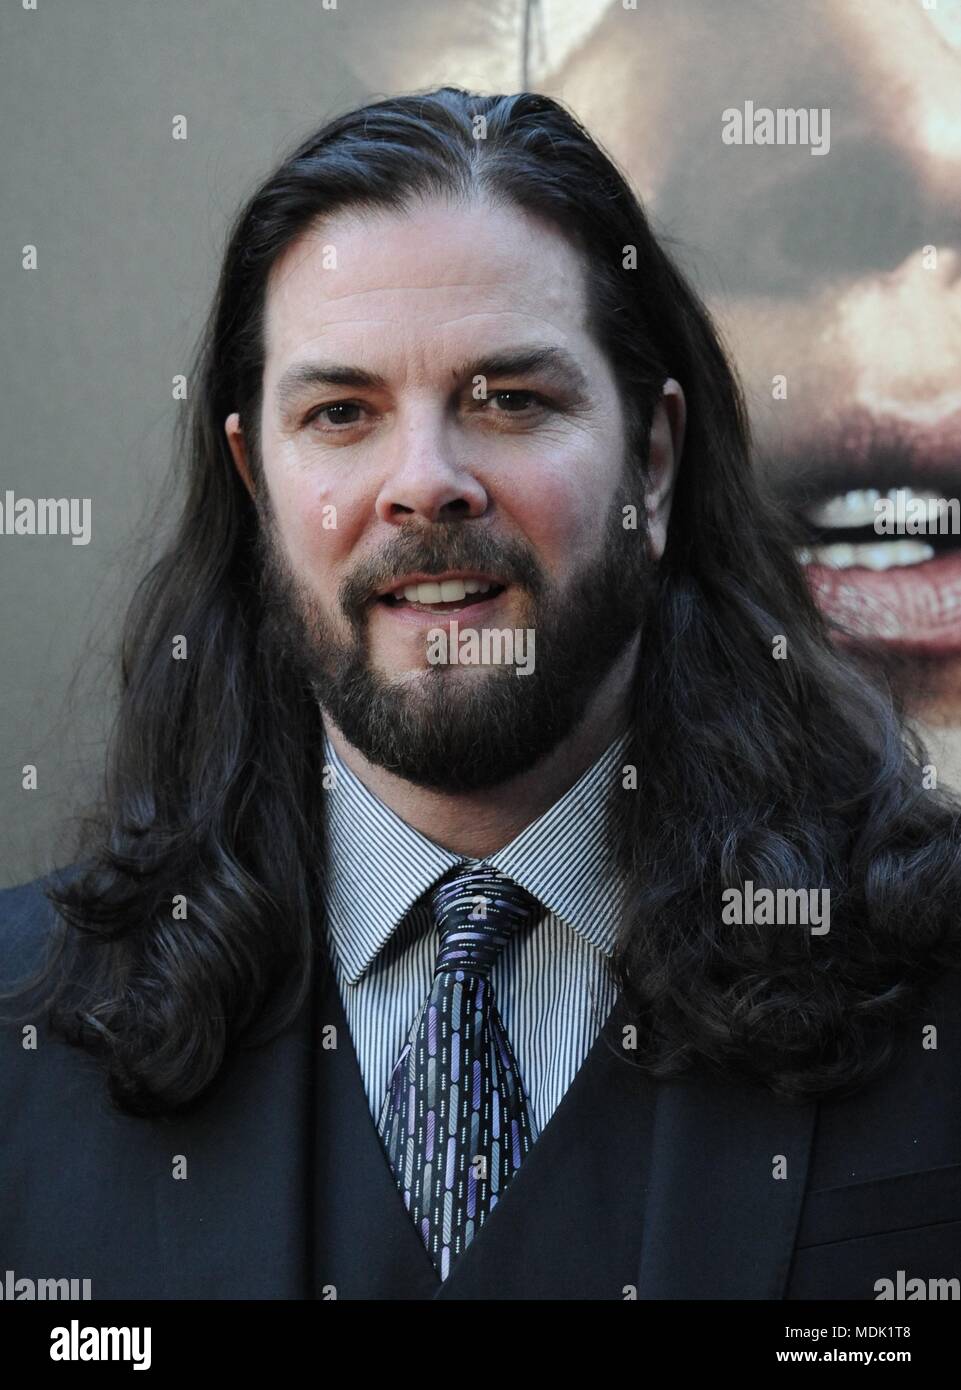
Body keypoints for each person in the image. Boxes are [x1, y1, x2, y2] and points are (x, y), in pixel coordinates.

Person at [2, 87, 961, 1302]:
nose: (426, 484)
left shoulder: (931, 987)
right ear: (256, 483)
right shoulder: (18, 1023)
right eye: (341, 413)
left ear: (650, 462)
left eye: (509, 399)